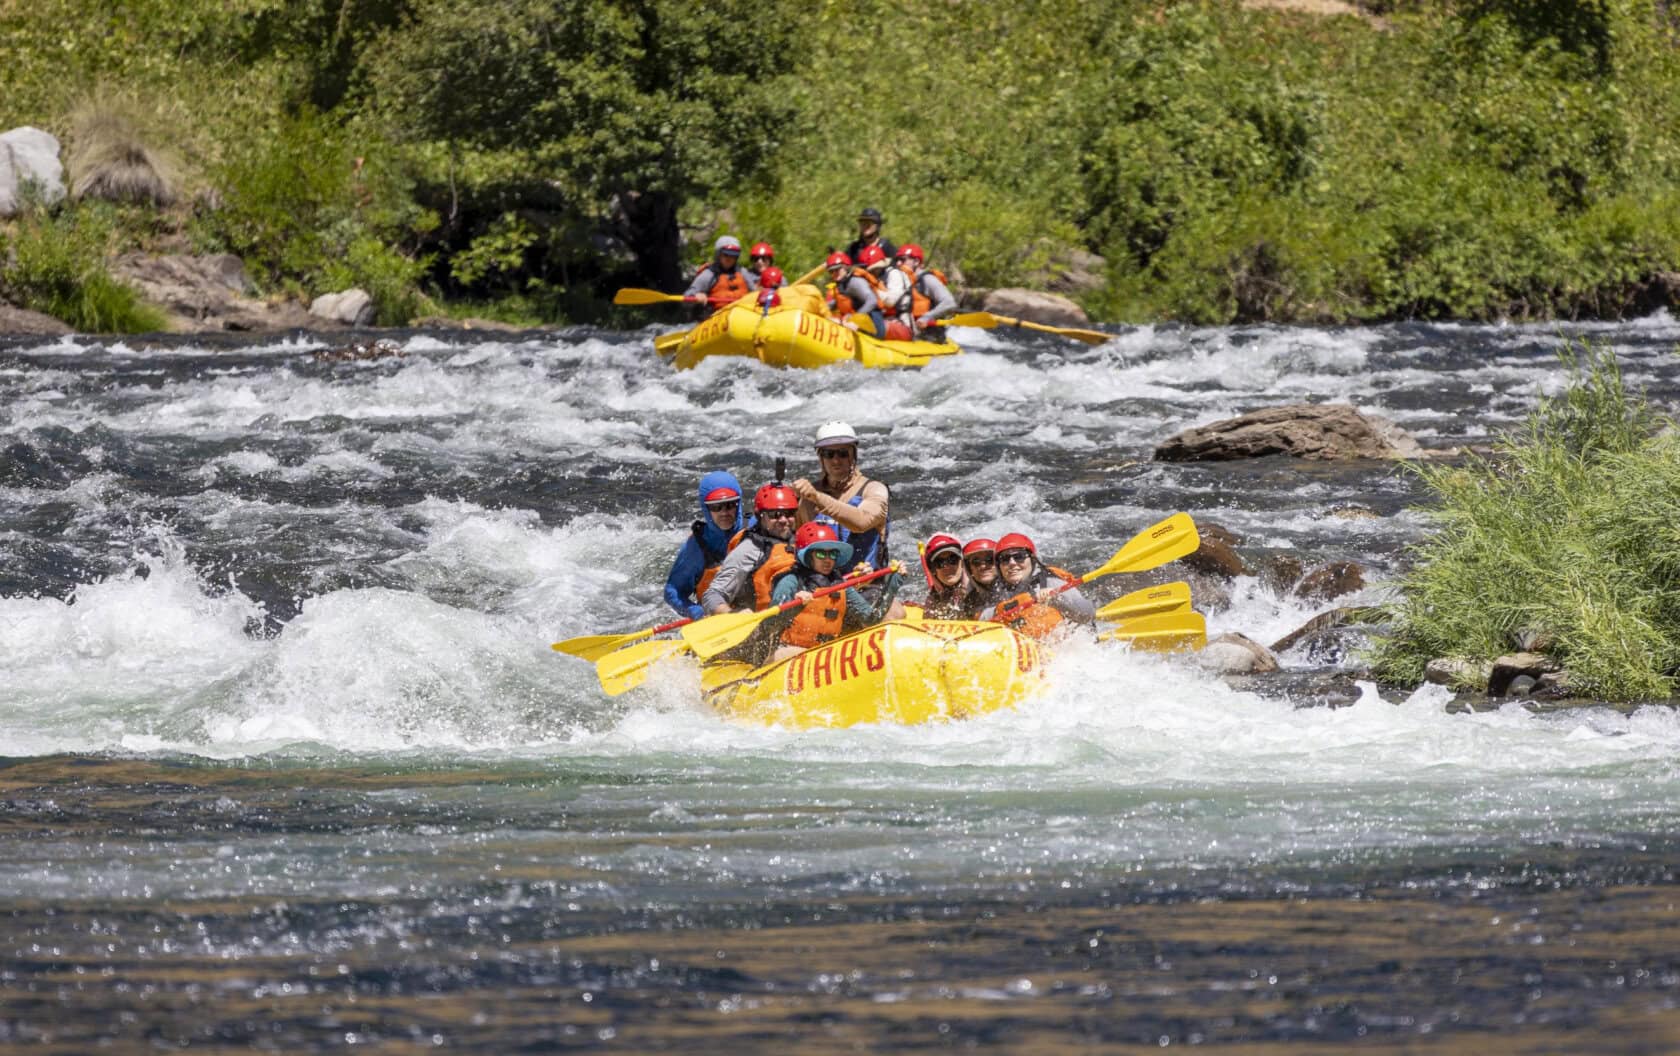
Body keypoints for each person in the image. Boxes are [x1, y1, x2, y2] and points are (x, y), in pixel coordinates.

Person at [766, 522, 903, 662]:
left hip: (829, 653)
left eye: (832, 554)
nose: (827, 560)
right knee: (781, 656)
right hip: (792, 650)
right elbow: (770, 624)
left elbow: (872, 619)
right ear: (807, 556)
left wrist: (893, 584)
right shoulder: (791, 581)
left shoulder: (839, 585)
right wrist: (795, 606)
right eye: (820, 554)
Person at [792, 420, 891, 579]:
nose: (836, 460)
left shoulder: (874, 489)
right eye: (829, 454)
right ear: (821, 458)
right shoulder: (807, 498)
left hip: (868, 585)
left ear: (854, 455)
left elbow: (861, 522)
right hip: (821, 586)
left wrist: (817, 498)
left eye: (843, 453)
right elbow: (792, 540)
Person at [700, 480, 801, 615]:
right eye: (774, 515)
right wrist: (733, 614)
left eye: (788, 513)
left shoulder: (801, 541)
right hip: (760, 625)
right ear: (760, 516)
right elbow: (711, 596)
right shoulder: (748, 551)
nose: (783, 520)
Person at [662, 471, 745, 620]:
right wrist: (694, 611)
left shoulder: (756, 529)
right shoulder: (696, 546)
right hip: (715, 619)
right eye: (716, 507)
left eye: (730, 504)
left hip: (754, 612)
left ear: (738, 504)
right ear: (706, 509)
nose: (724, 512)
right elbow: (672, 591)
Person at [982, 532, 1096, 639]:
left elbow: (1089, 614)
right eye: (1005, 559)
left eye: (1019, 557)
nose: (1012, 563)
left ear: (1032, 560)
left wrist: (1057, 600)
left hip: (1062, 648)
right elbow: (983, 620)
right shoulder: (998, 591)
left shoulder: (1051, 582)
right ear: (999, 566)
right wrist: (996, 612)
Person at [880, 243, 956, 342]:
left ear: (916, 261)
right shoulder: (899, 279)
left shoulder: (927, 279)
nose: (898, 263)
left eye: (903, 260)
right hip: (909, 328)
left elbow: (949, 302)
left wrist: (927, 317)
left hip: (930, 334)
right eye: (897, 260)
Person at [683, 235, 758, 317]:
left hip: (740, 315)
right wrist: (695, 296)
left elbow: (755, 292)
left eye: (733, 256)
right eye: (726, 255)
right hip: (715, 317)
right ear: (718, 255)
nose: (729, 259)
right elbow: (687, 297)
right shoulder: (709, 274)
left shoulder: (743, 272)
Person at [823, 251, 887, 337]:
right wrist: (821, 310)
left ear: (846, 268)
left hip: (875, 323)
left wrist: (855, 317)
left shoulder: (856, 282)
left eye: (837, 269)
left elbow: (872, 300)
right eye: (831, 271)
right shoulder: (840, 286)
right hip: (857, 322)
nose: (835, 274)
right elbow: (834, 303)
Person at [919, 533, 970, 620]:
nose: (947, 567)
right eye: (940, 563)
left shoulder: (975, 588)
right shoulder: (933, 600)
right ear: (933, 570)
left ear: (962, 562)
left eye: (952, 560)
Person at [959, 537, 999, 619]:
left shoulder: (1014, 588)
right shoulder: (970, 600)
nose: (983, 566)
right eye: (976, 562)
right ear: (970, 569)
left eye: (989, 560)